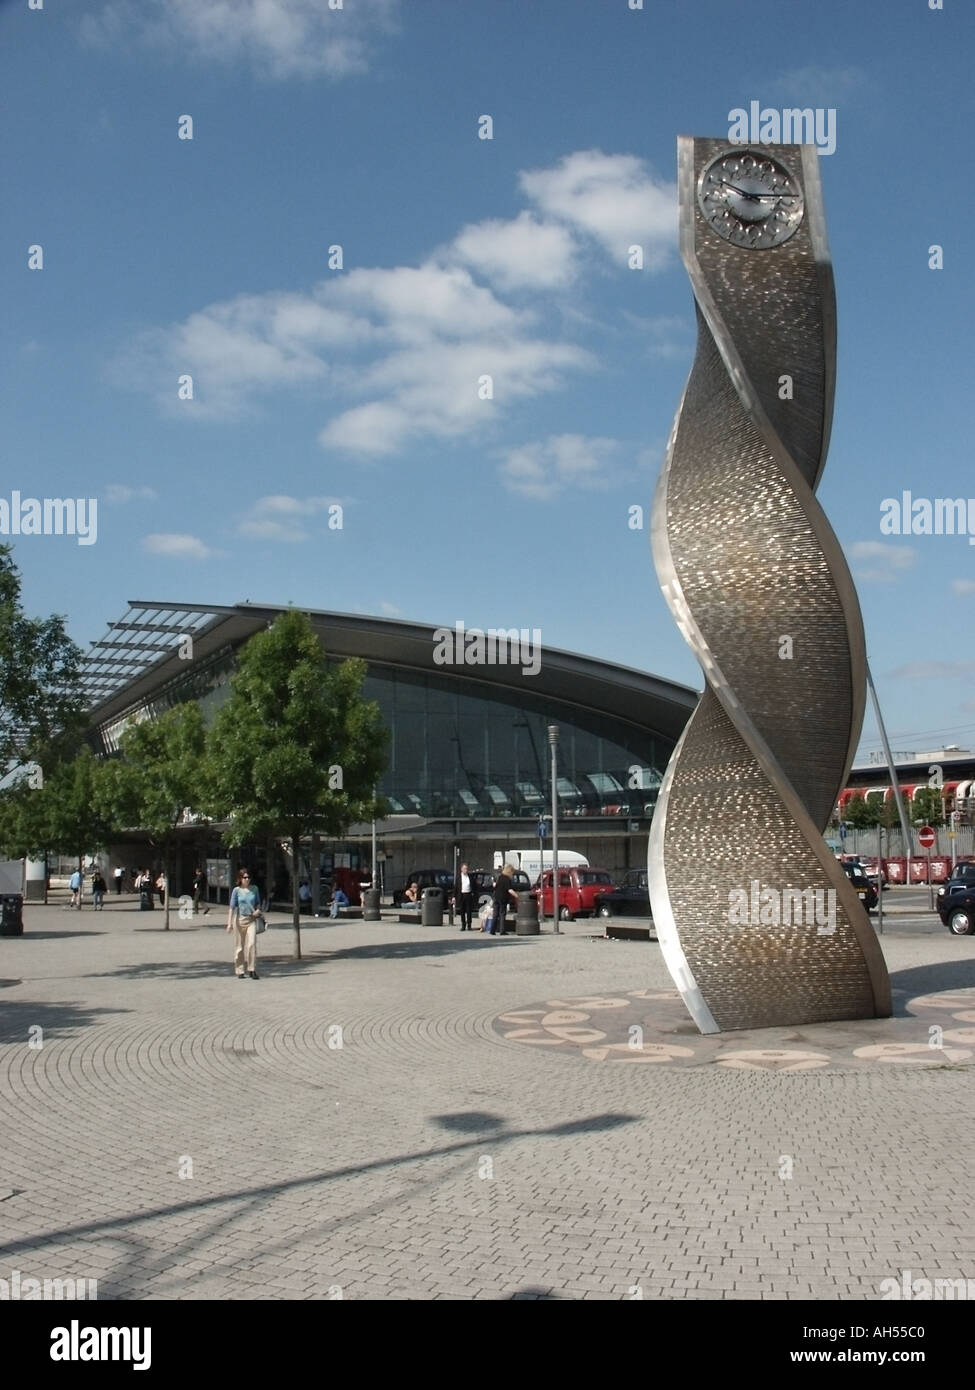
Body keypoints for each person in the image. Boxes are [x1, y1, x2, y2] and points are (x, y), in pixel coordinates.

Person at [227, 867, 263, 980]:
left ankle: (252, 969)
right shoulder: (236, 890)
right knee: (239, 947)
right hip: (239, 920)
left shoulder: (255, 889)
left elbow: (258, 903)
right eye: (245, 877)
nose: (247, 879)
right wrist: (229, 923)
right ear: (240, 878)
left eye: (249, 877)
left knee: (252, 944)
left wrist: (258, 910)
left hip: (251, 920)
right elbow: (232, 907)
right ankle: (240, 970)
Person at [490, 864, 519, 936]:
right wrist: (517, 895)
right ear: (510, 872)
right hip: (503, 898)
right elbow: (509, 890)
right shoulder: (507, 879)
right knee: (502, 914)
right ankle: (502, 931)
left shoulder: (500, 877)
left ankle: (492, 930)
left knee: (495, 914)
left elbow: (495, 886)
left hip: (496, 897)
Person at [455, 861, 474, 931]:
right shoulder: (459, 877)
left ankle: (469, 925)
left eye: (466, 869)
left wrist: (473, 893)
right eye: (464, 869)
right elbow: (456, 887)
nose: (466, 870)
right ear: (461, 869)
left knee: (469, 911)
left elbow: (474, 886)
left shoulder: (470, 877)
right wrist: (454, 896)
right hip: (461, 895)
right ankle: (463, 925)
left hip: (468, 894)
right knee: (462, 911)